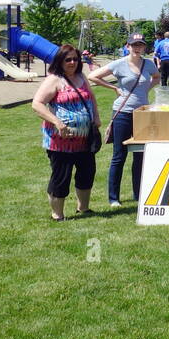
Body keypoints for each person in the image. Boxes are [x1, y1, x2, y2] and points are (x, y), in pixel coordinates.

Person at [31, 44, 100, 221]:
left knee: (87, 173)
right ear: (60, 61)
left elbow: (91, 97)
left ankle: (83, 208)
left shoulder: (81, 77)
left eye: (75, 59)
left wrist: (96, 118)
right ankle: (57, 214)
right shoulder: (53, 80)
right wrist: (57, 122)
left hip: (85, 140)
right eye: (67, 59)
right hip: (60, 140)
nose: (72, 62)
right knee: (61, 177)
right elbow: (37, 104)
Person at [88, 33, 158, 208]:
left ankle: (138, 193)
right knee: (119, 156)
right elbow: (93, 76)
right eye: (134, 45)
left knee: (141, 155)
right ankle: (114, 198)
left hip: (142, 114)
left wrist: (146, 89)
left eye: (140, 45)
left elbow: (157, 77)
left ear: (144, 47)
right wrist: (113, 87)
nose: (137, 48)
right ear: (127, 46)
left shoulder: (148, 64)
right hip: (123, 113)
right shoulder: (119, 64)